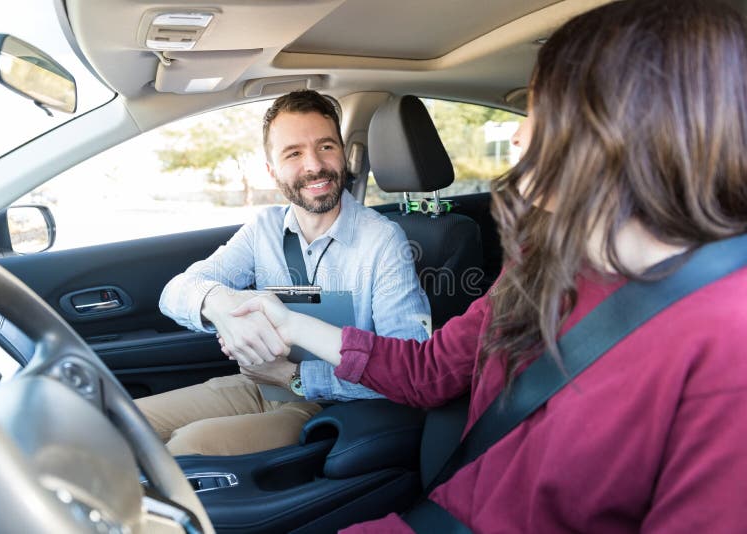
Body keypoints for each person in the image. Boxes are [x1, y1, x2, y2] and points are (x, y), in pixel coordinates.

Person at [224, 0, 747, 531]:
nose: (518, 135)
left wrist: (295, 380)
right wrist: (291, 324)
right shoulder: (540, 268)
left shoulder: (726, 344)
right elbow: (426, 373)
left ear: (634, 126)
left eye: (541, 110)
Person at [136, 90, 431, 456]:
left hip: (335, 404)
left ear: (342, 153)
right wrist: (218, 304)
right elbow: (175, 291)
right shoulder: (264, 229)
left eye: (326, 146)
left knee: (189, 448)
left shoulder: (383, 241)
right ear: (272, 170)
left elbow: (409, 369)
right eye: (294, 153)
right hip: (260, 386)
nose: (314, 165)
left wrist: (296, 378)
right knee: (123, 423)